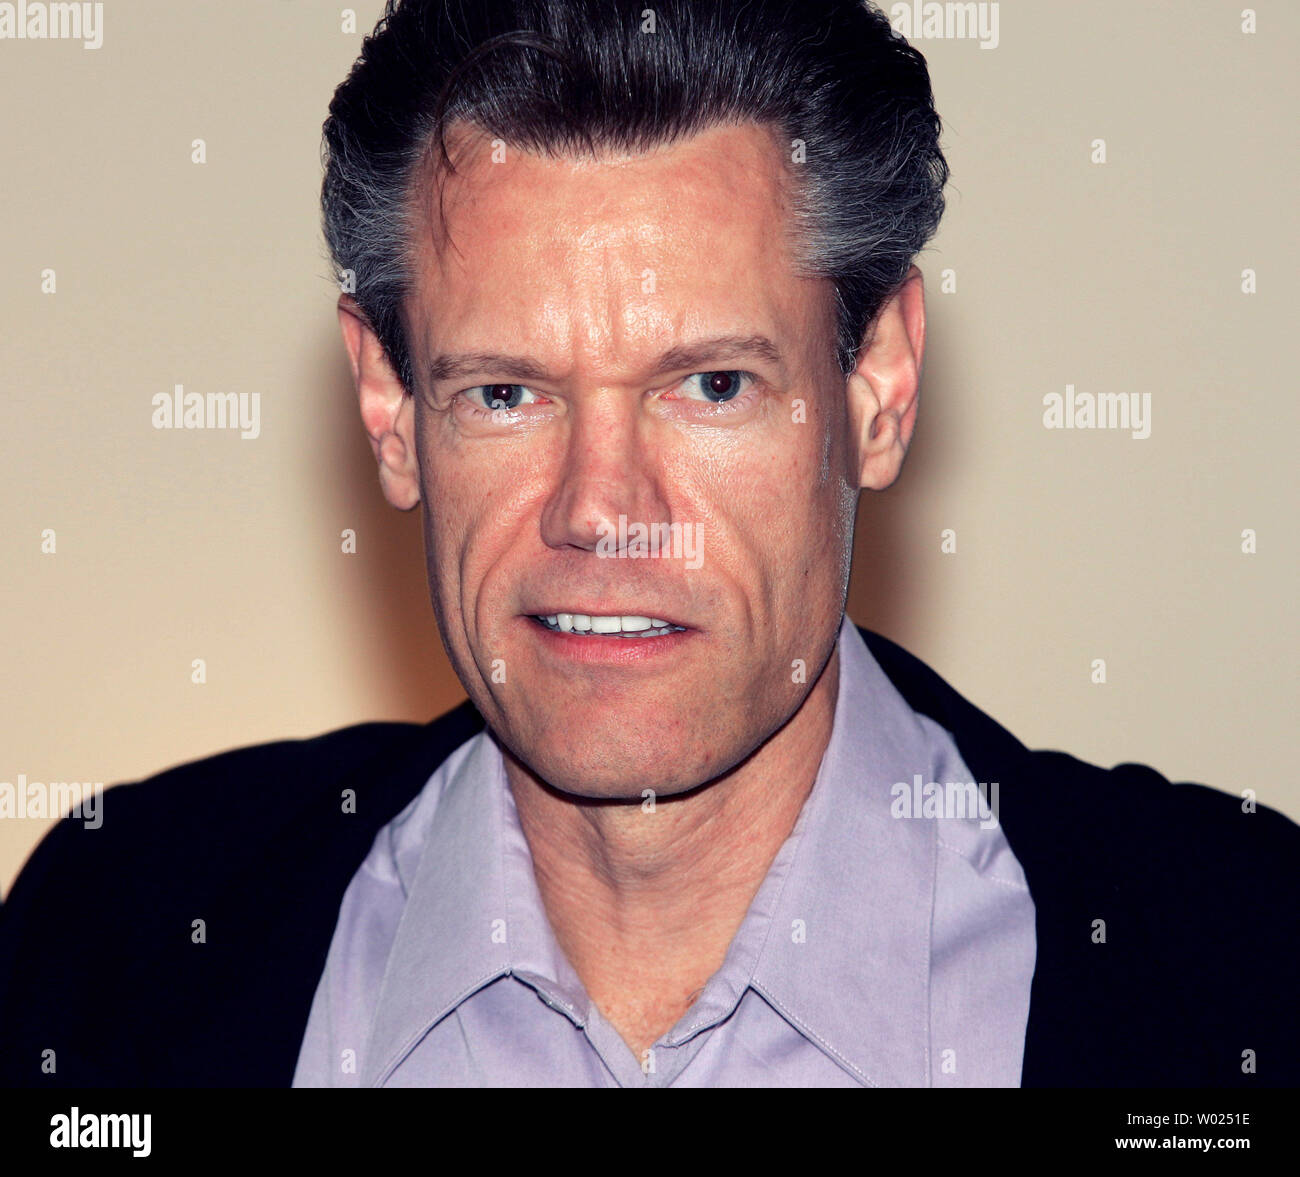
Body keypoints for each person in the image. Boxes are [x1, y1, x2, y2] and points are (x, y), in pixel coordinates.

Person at [1, 0, 1295, 1089]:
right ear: (390, 414)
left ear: (880, 389)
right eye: (505, 393)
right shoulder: (112, 944)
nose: (599, 509)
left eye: (712, 386)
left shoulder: (1250, 971)